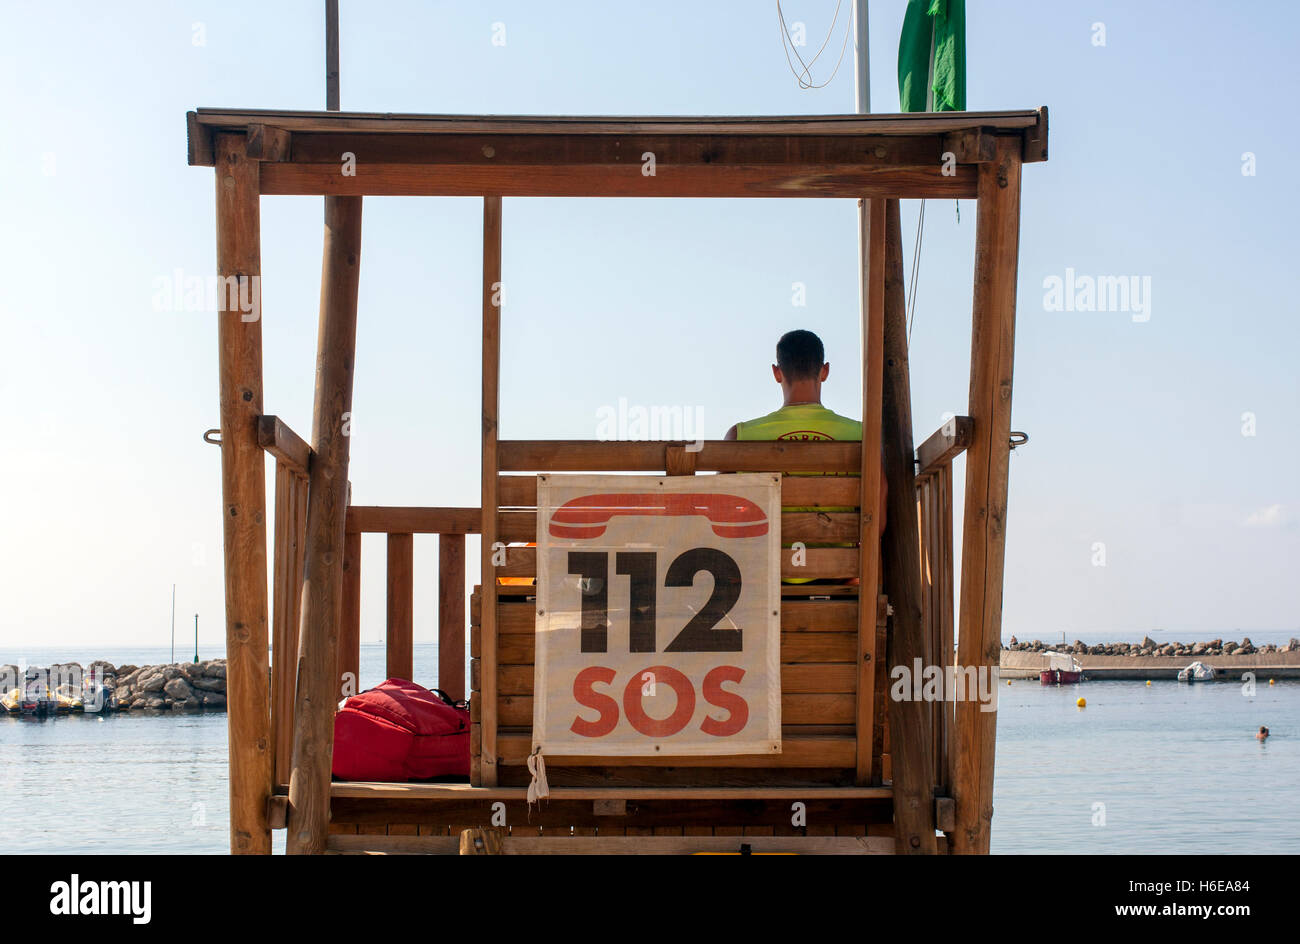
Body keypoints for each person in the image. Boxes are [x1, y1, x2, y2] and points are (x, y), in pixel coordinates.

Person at [724, 329, 887, 583]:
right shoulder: (860, 434)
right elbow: (878, 512)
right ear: (825, 371)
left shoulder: (740, 436)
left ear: (777, 373)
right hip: (836, 575)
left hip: (764, 578)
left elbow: (722, 510)